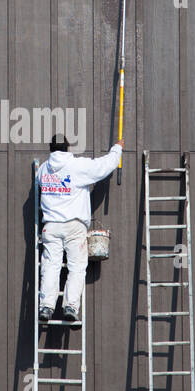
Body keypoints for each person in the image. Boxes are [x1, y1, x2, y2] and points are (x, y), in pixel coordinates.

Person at [36, 133, 123, 323]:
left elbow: (40, 183)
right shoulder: (75, 166)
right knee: (76, 267)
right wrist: (117, 148)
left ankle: (46, 307)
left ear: (51, 148)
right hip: (74, 226)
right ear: (68, 148)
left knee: (50, 266)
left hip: (50, 226)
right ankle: (70, 306)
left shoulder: (43, 169)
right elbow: (103, 167)